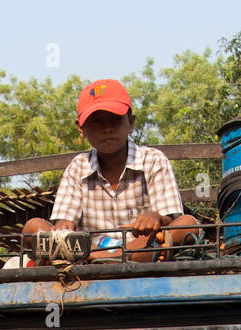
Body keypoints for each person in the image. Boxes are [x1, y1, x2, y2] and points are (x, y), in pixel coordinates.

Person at [24, 80, 200, 259]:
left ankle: (109, 259)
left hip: (139, 247)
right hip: (91, 250)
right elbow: (64, 222)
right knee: (32, 227)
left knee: (189, 223)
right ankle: (110, 259)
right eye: (96, 121)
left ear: (130, 123)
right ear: (81, 128)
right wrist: (63, 226)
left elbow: (172, 220)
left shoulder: (153, 160)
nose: (107, 128)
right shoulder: (77, 167)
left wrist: (156, 218)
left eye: (115, 119)